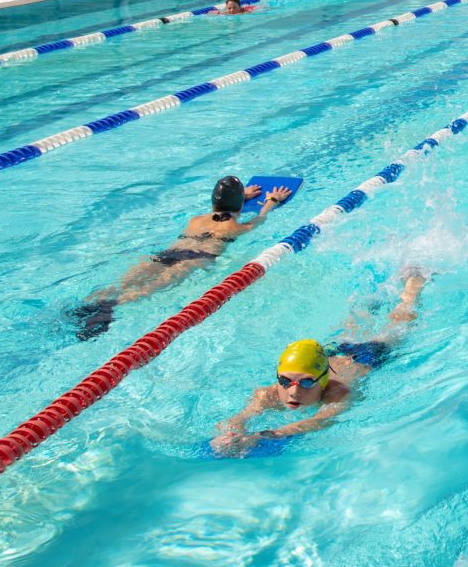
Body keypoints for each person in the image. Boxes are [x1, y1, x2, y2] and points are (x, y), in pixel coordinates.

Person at [211, 270, 427, 455]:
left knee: (398, 325)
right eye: (286, 381)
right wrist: (229, 435)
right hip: (330, 351)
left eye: (306, 383)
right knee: (355, 321)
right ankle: (377, 294)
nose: (294, 392)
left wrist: (263, 436)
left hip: (365, 356)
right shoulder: (265, 395)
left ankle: (414, 285)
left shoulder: (338, 393)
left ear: (323, 381)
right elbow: (234, 419)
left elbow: (319, 422)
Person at [71, 176, 291, 340]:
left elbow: (222, 209)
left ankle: (87, 305)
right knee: (149, 289)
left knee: (123, 283)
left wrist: (241, 195)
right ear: (239, 205)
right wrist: (271, 201)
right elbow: (259, 219)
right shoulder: (233, 227)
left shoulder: (197, 219)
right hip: (193, 260)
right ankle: (109, 310)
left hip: (166, 254)